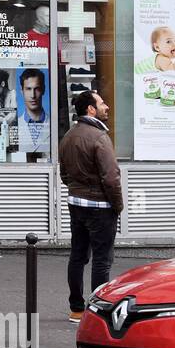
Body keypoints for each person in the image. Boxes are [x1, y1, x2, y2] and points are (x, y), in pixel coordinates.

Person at [59, 89, 123, 323]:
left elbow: (64, 173)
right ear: (91, 109)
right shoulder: (99, 137)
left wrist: (77, 189)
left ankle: (76, 308)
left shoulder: (68, 136)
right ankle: (98, 309)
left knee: (77, 256)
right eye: (102, 102)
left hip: (76, 203)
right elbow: (111, 178)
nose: (107, 106)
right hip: (100, 206)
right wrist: (117, 204)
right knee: (102, 259)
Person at [16, 69, 49, 155]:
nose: (33, 95)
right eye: (28, 89)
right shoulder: (15, 125)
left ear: (43, 90)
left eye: (36, 89)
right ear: (22, 91)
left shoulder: (54, 124)